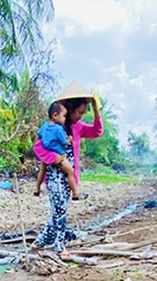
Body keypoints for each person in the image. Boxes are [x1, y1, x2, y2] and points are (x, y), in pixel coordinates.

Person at [31, 82, 104, 258]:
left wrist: (96, 110)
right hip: (55, 176)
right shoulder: (54, 127)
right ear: (69, 109)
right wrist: (54, 159)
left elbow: (97, 131)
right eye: (79, 112)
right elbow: (38, 148)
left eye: (83, 113)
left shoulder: (78, 127)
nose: (80, 116)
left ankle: (39, 242)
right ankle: (60, 246)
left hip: (68, 179)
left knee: (58, 210)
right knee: (60, 211)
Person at [35, 102, 80, 198]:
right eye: (64, 116)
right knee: (70, 171)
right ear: (55, 115)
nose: (65, 119)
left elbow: (38, 137)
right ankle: (75, 193)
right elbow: (64, 142)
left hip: (46, 155)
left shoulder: (44, 126)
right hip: (58, 156)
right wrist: (69, 140)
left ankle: (37, 188)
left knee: (42, 170)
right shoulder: (58, 129)